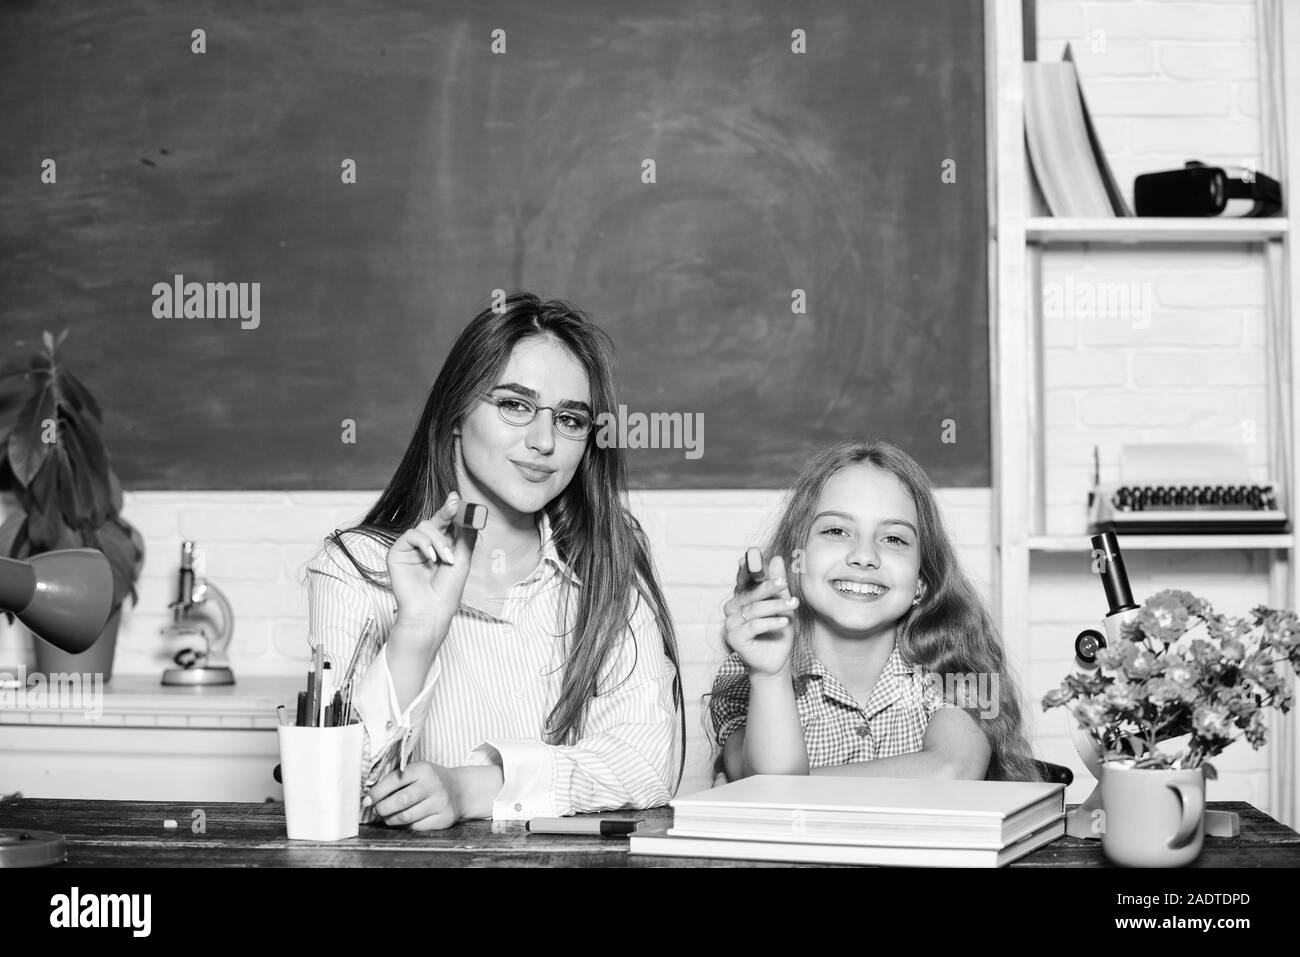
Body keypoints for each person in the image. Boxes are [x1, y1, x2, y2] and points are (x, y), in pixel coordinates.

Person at [305, 293, 684, 830]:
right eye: (514, 404)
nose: (544, 441)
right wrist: (417, 633)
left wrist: (472, 788)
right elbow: (332, 793)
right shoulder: (354, 567)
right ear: (457, 412)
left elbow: (646, 765)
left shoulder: (607, 568)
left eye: (571, 419)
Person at [710, 438, 1039, 783]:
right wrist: (770, 676)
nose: (864, 555)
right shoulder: (746, 670)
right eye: (836, 531)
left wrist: (785, 789)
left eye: (893, 539)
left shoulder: (966, 661)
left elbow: (953, 770)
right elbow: (764, 786)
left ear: (921, 580)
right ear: (797, 560)